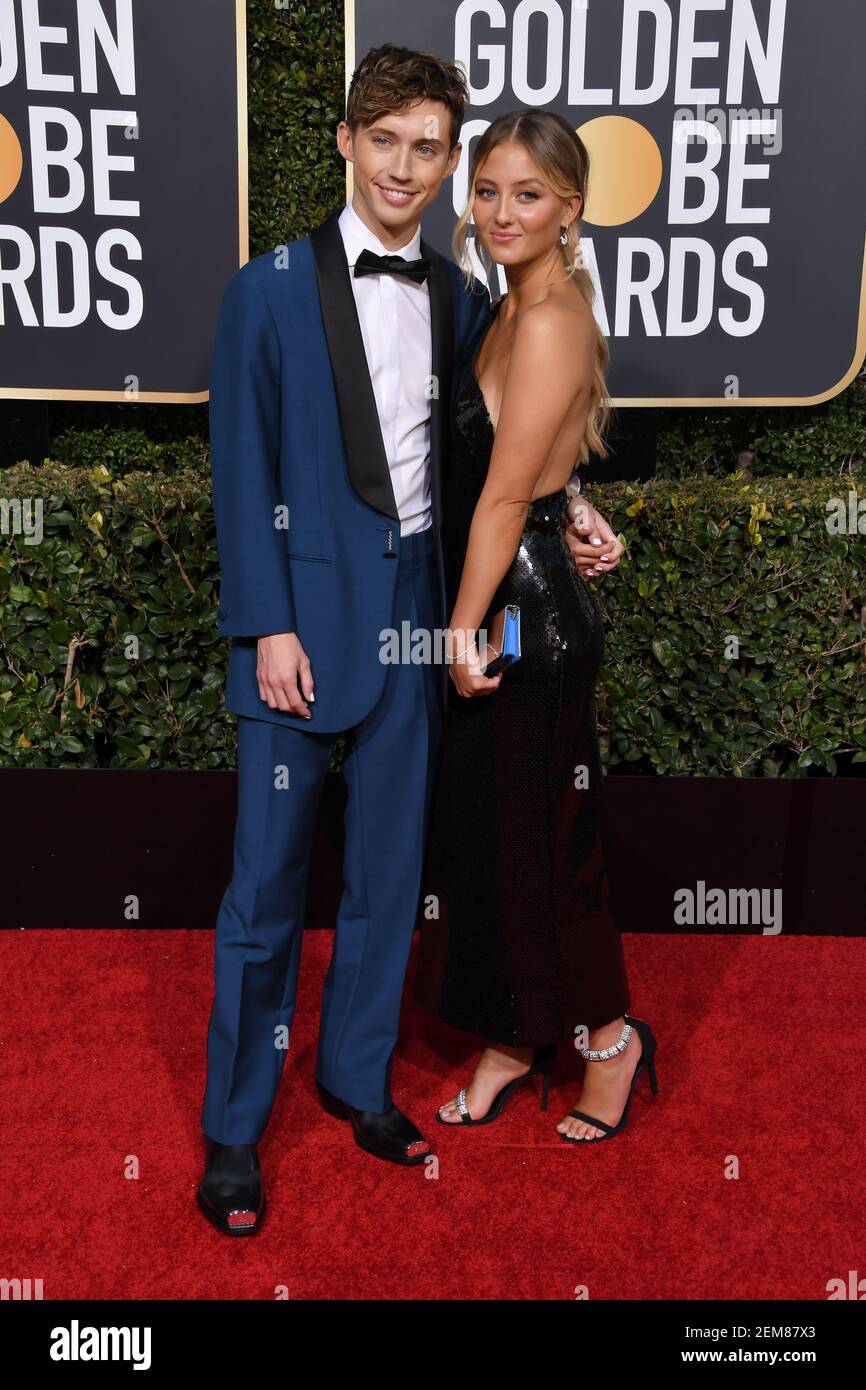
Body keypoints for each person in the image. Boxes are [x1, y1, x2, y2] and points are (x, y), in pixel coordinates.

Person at [199, 46, 626, 1236]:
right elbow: (241, 476)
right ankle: (233, 1130)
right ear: (344, 142)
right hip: (298, 625)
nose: (405, 165)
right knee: (265, 891)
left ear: (447, 162)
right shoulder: (265, 290)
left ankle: (355, 1078)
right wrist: (267, 625)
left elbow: (511, 446)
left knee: (391, 880)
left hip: (422, 619)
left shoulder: (462, 297)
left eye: (428, 146)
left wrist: (577, 508)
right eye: (383, 139)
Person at [414, 109, 658, 1144]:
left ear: (570, 208)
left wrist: (461, 631)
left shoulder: (551, 318)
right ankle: (514, 1039)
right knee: (488, 844)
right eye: (488, 190)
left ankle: (607, 1039)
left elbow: (505, 497)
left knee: (550, 847)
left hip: (525, 621)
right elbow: (531, 472)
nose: (502, 212)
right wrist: (574, 507)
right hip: (501, 595)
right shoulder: (503, 306)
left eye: (528, 195)